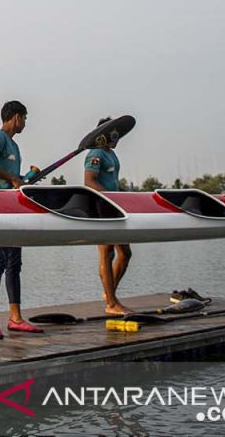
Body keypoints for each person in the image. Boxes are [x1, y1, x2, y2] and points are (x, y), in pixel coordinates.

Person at [0, 100, 43, 337]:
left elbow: (13, 180)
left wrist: (24, 179)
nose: (25, 123)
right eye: (24, 118)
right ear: (16, 117)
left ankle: (15, 317)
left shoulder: (14, 146)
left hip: (13, 209)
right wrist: (12, 178)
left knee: (14, 263)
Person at [83, 117, 132, 315]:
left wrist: (123, 198)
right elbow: (89, 182)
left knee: (125, 253)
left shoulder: (111, 154)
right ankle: (112, 304)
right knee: (107, 252)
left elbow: (113, 181)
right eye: (114, 133)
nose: (117, 137)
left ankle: (109, 294)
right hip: (101, 207)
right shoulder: (95, 153)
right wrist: (109, 197)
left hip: (115, 208)